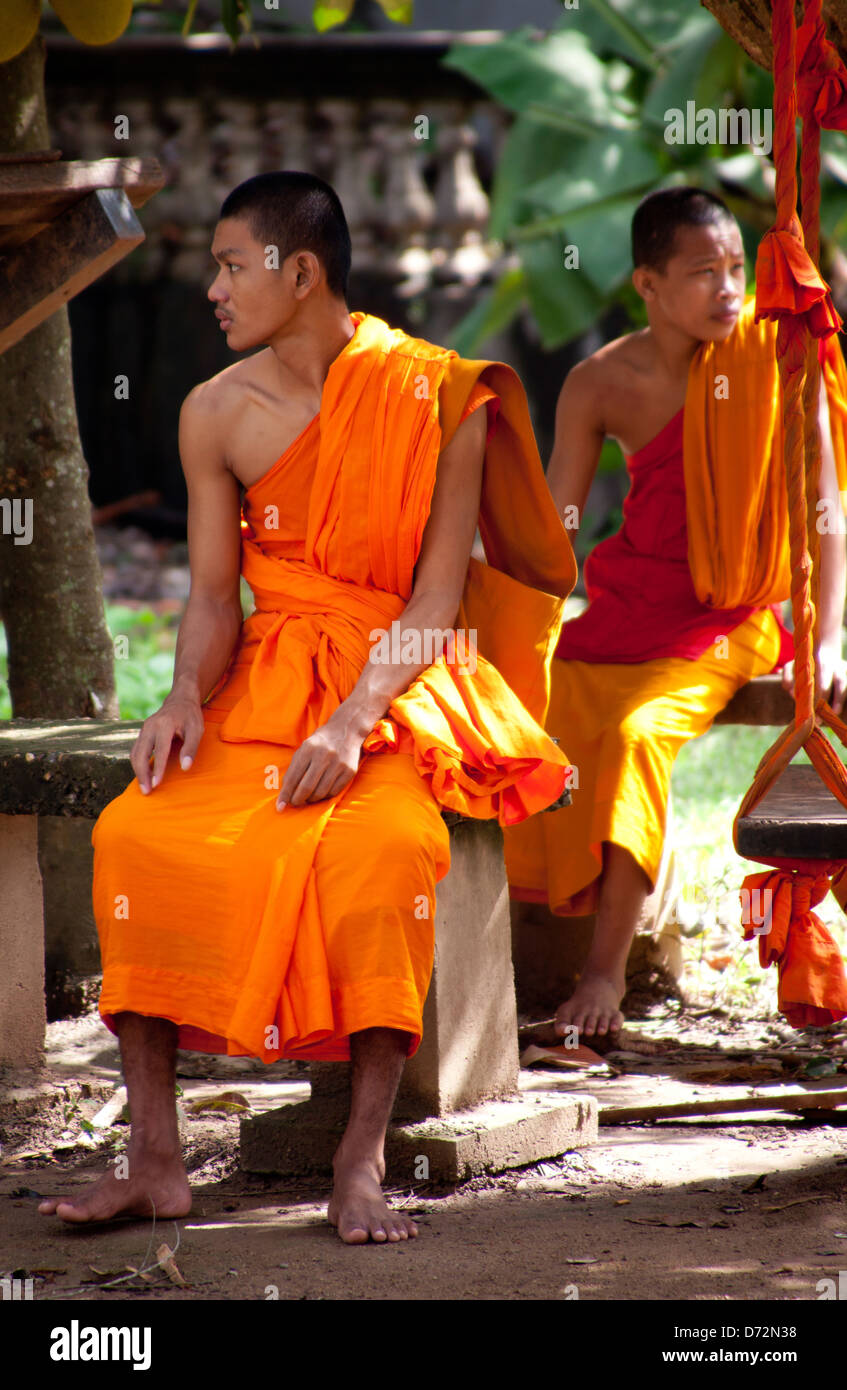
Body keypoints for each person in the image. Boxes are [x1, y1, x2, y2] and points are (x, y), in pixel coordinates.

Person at [38, 172, 575, 1244]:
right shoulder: (213, 412)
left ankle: (359, 1159)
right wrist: (184, 692)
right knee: (138, 832)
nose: (214, 291)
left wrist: (350, 720)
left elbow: (433, 601)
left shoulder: (436, 393)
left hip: (405, 683)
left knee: (378, 857)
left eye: (232, 266)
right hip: (265, 684)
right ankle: (154, 1157)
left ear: (302, 272)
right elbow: (208, 598)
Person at [504, 186, 847, 1042]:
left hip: (728, 617)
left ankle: (603, 976)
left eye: (735, 269)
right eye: (703, 272)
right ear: (647, 284)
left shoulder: (777, 357)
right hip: (628, 608)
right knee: (514, 717)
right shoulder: (598, 384)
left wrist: (830, 634)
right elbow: (555, 534)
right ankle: (516, 947)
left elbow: (826, 505)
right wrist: (494, 618)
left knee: (631, 738)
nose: (729, 289)